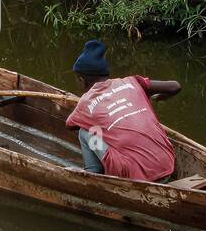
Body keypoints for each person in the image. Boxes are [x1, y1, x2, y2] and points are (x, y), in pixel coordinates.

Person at [64, 40, 181, 181]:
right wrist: (156, 98)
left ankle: (92, 172)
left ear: (82, 80)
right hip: (168, 164)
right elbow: (174, 86)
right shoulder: (132, 82)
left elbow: (70, 125)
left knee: (86, 131)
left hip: (136, 176)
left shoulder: (86, 101)